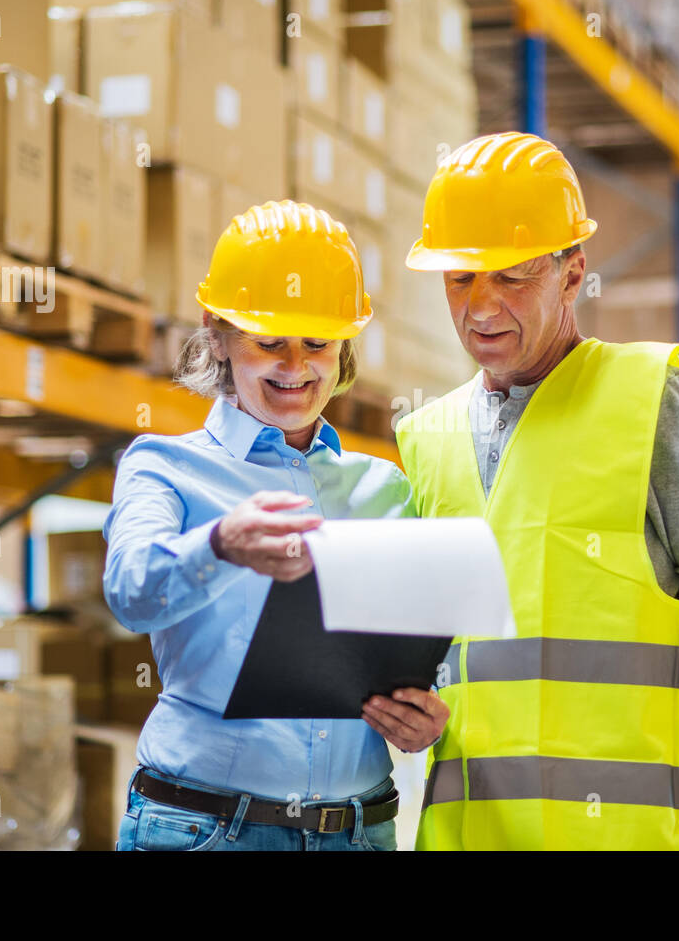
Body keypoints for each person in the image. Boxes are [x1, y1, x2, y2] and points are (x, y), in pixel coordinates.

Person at [394, 132, 679, 850]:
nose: (480, 307)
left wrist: (656, 718)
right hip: (468, 833)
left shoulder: (651, 402)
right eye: (458, 277)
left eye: (509, 276)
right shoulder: (426, 436)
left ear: (572, 274)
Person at [103, 200, 448, 851]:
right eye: (269, 342)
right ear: (217, 332)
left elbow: (406, 656)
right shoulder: (165, 467)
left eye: (317, 343)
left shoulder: (384, 490)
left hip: (357, 831)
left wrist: (420, 717)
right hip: (207, 828)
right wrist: (221, 544)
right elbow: (131, 592)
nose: (295, 367)